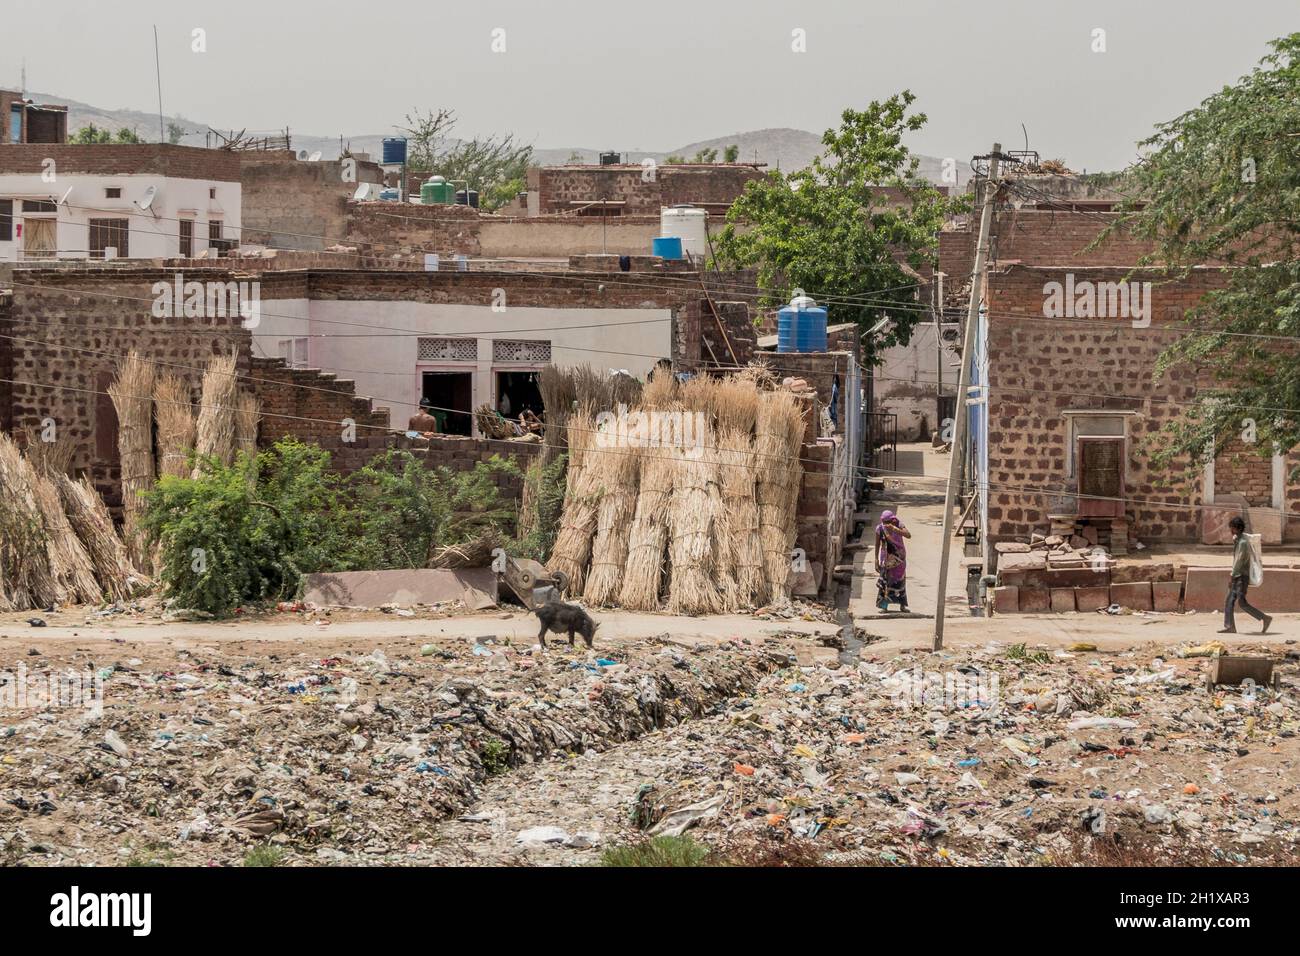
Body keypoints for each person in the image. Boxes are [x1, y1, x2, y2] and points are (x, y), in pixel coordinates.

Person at [1219, 515, 1271, 634]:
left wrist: (1232, 576)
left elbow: (1239, 561)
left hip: (1241, 576)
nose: (1230, 530)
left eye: (1232, 528)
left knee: (1242, 603)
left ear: (1236, 528)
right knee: (1229, 600)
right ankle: (1229, 626)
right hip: (1238, 575)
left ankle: (1265, 618)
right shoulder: (1239, 539)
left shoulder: (1242, 542)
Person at [875, 509, 911, 613]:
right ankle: (884, 606)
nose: (885, 524)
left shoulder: (899, 525)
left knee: (900, 580)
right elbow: (877, 544)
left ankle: (902, 605)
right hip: (886, 559)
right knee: (886, 581)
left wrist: (895, 529)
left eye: (887, 522)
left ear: (893, 520)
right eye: (884, 522)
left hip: (899, 558)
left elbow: (908, 535)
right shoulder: (880, 528)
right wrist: (876, 559)